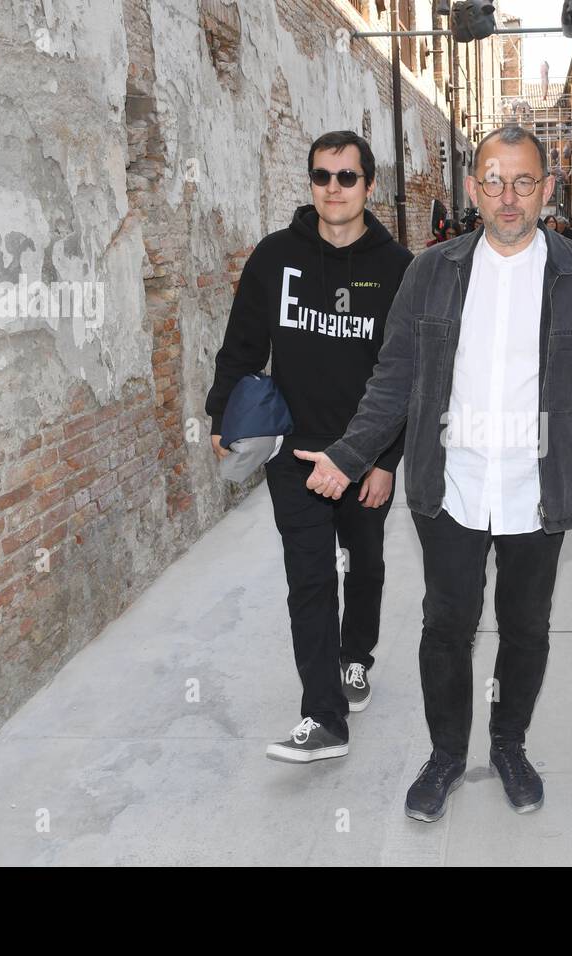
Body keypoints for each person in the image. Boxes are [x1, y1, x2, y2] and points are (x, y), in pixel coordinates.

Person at [293, 125, 572, 822]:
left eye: (524, 182)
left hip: (542, 493)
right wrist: (349, 454)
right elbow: (393, 379)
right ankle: (447, 753)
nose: (508, 198)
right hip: (450, 487)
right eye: (494, 181)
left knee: (527, 629)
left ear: (547, 188)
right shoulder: (433, 270)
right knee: (445, 627)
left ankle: (509, 744)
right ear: (473, 187)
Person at [205, 130, 411, 763]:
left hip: (363, 454)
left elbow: (407, 374)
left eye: (347, 178)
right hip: (294, 454)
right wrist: (222, 414)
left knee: (366, 565)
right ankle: (322, 717)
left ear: (368, 185)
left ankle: (357, 656)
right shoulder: (274, 258)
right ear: (312, 184)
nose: (334, 189)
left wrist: (385, 461)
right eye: (323, 177)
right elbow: (241, 346)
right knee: (309, 581)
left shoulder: (396, 268)